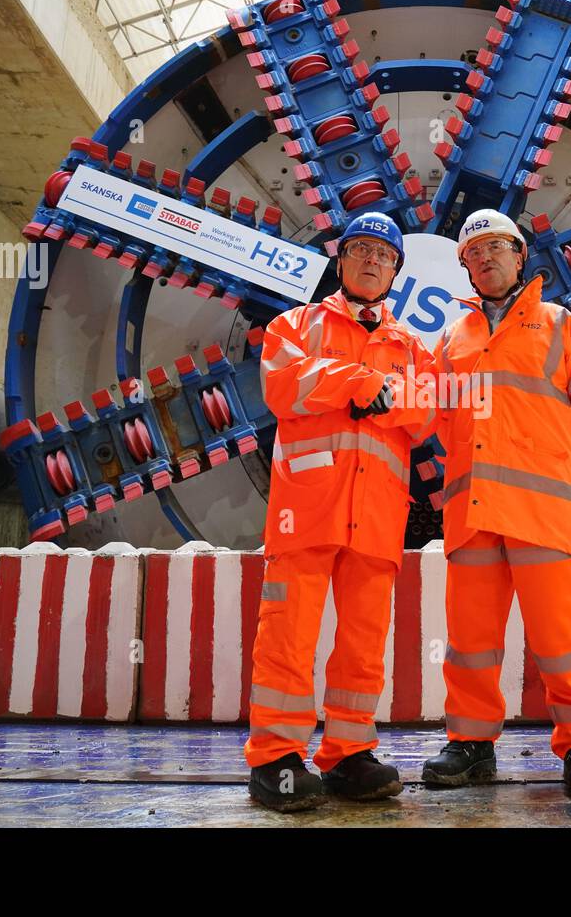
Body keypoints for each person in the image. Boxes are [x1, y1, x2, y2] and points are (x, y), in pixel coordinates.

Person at [421, 208, 571, 799]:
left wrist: (558, 481)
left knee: (559, 638)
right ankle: (472, 746)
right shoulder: (452, 339)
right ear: (465, 268)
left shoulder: (559, 325)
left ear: (519, 254)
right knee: (471, 641)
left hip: (538, 512)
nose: (485, 258)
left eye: (496, 247)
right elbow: (437, 420)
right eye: (473, 253)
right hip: (472, 514)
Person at [246, 211, 435, 812]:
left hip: (376, 515)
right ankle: (275, 756)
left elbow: (425, 411)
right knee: (288, 634)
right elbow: (283, 386)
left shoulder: (410, 346)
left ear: (396, 271)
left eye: (384, 254)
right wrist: (357, 382)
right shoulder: (293, 325)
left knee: (363, 641)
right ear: (341, 260)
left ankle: (349, 753)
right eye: (361, 249)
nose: (372, 260)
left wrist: (377, 395)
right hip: (307, 508)